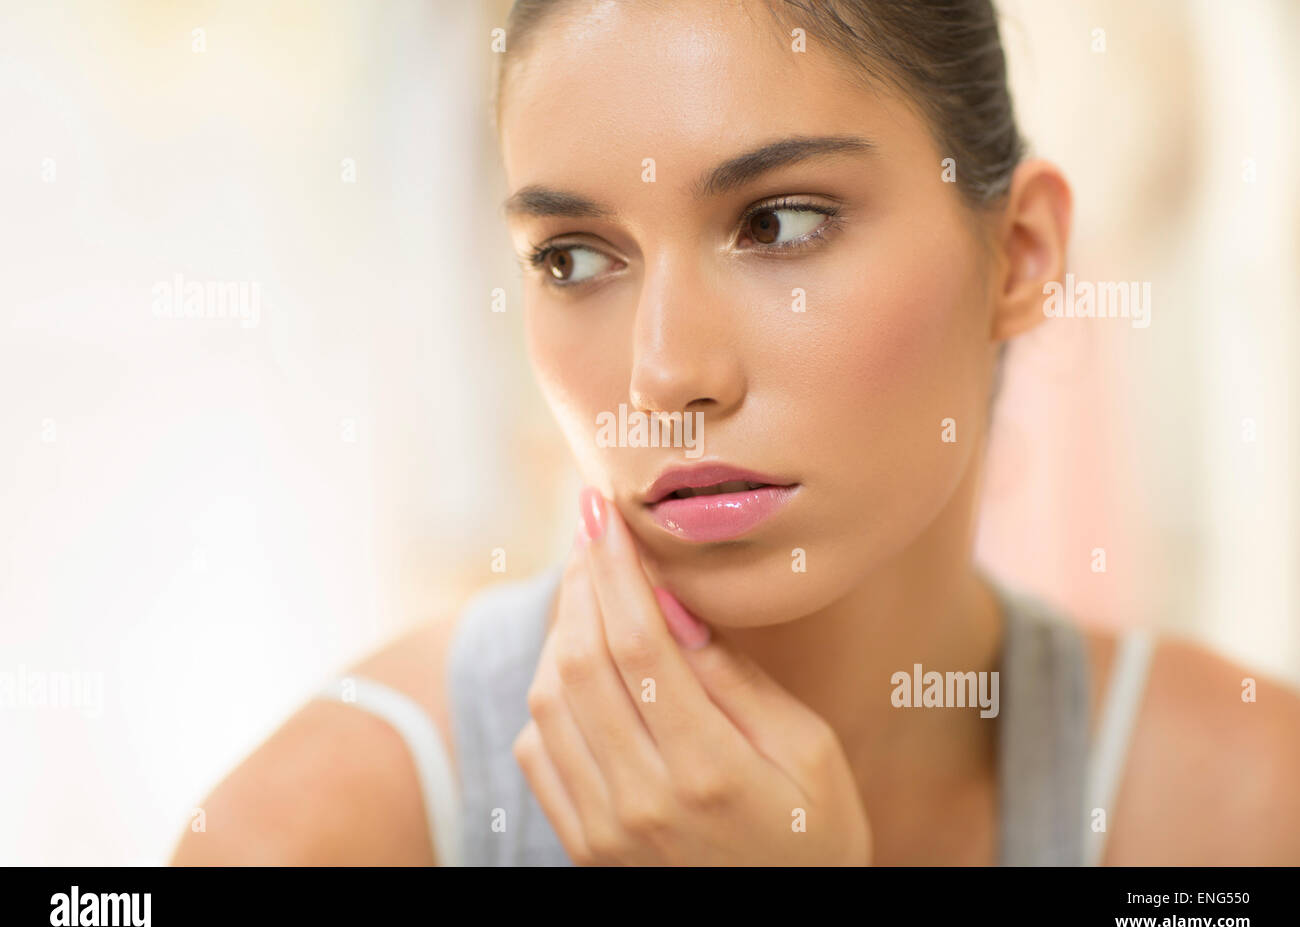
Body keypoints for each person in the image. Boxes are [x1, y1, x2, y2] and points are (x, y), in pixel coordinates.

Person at [170, 0, 1300, 867]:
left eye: (779, 222)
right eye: (574, 255)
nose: (665, 372)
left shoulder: (1243, 805)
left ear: (1018, 256)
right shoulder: (318, 833)